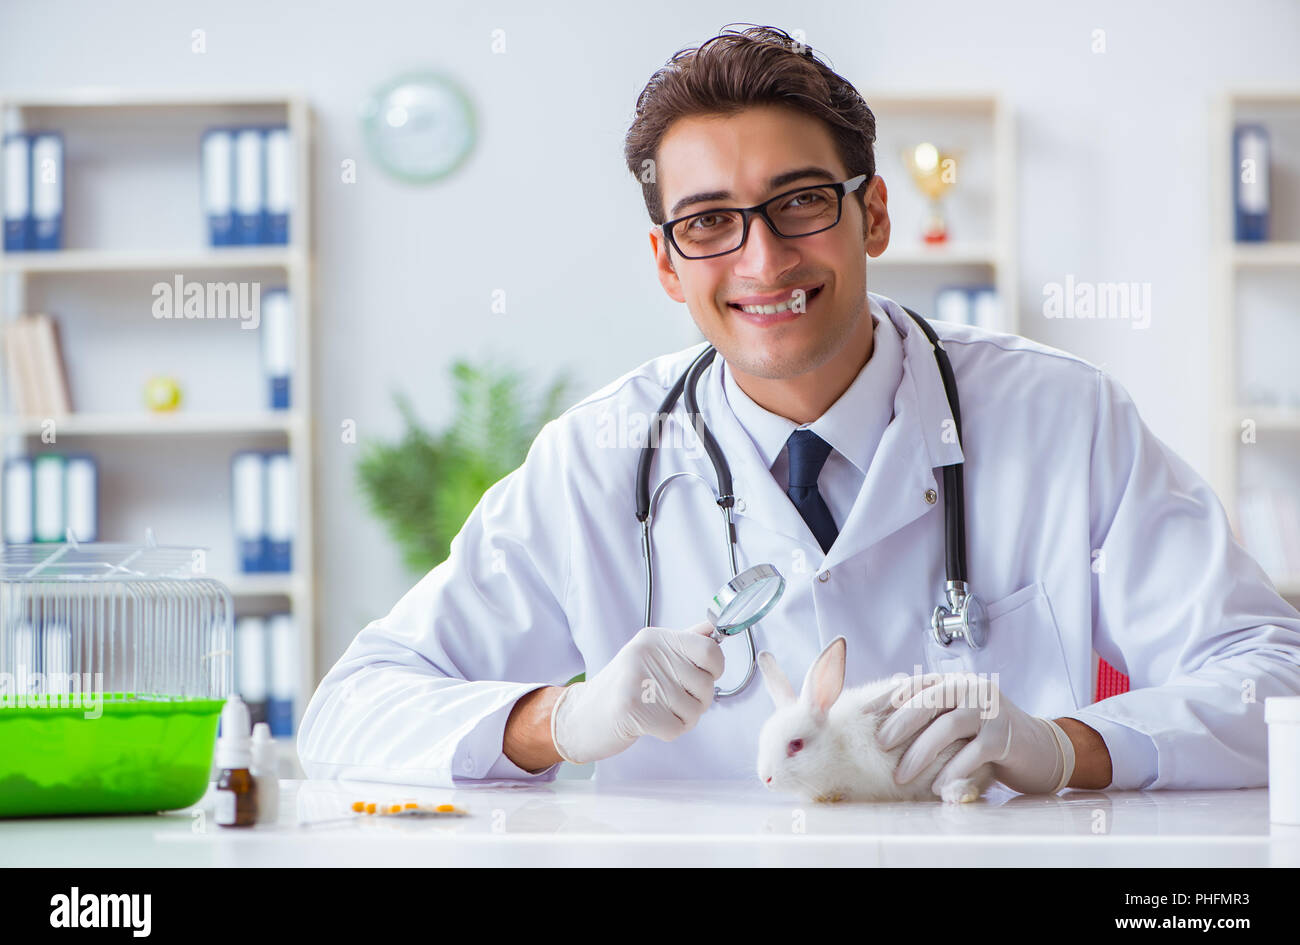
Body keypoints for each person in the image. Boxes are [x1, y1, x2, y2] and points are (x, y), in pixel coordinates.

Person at [297, 24, 1300, 794]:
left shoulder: (1061, 417)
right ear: (666, 261)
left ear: (872, 212)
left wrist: (1063, 748)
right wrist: (562, 721)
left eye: (800, 202)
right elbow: (352, 710)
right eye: (708, 223)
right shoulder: (603, 455)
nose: (763, 259)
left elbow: (1272, 682)